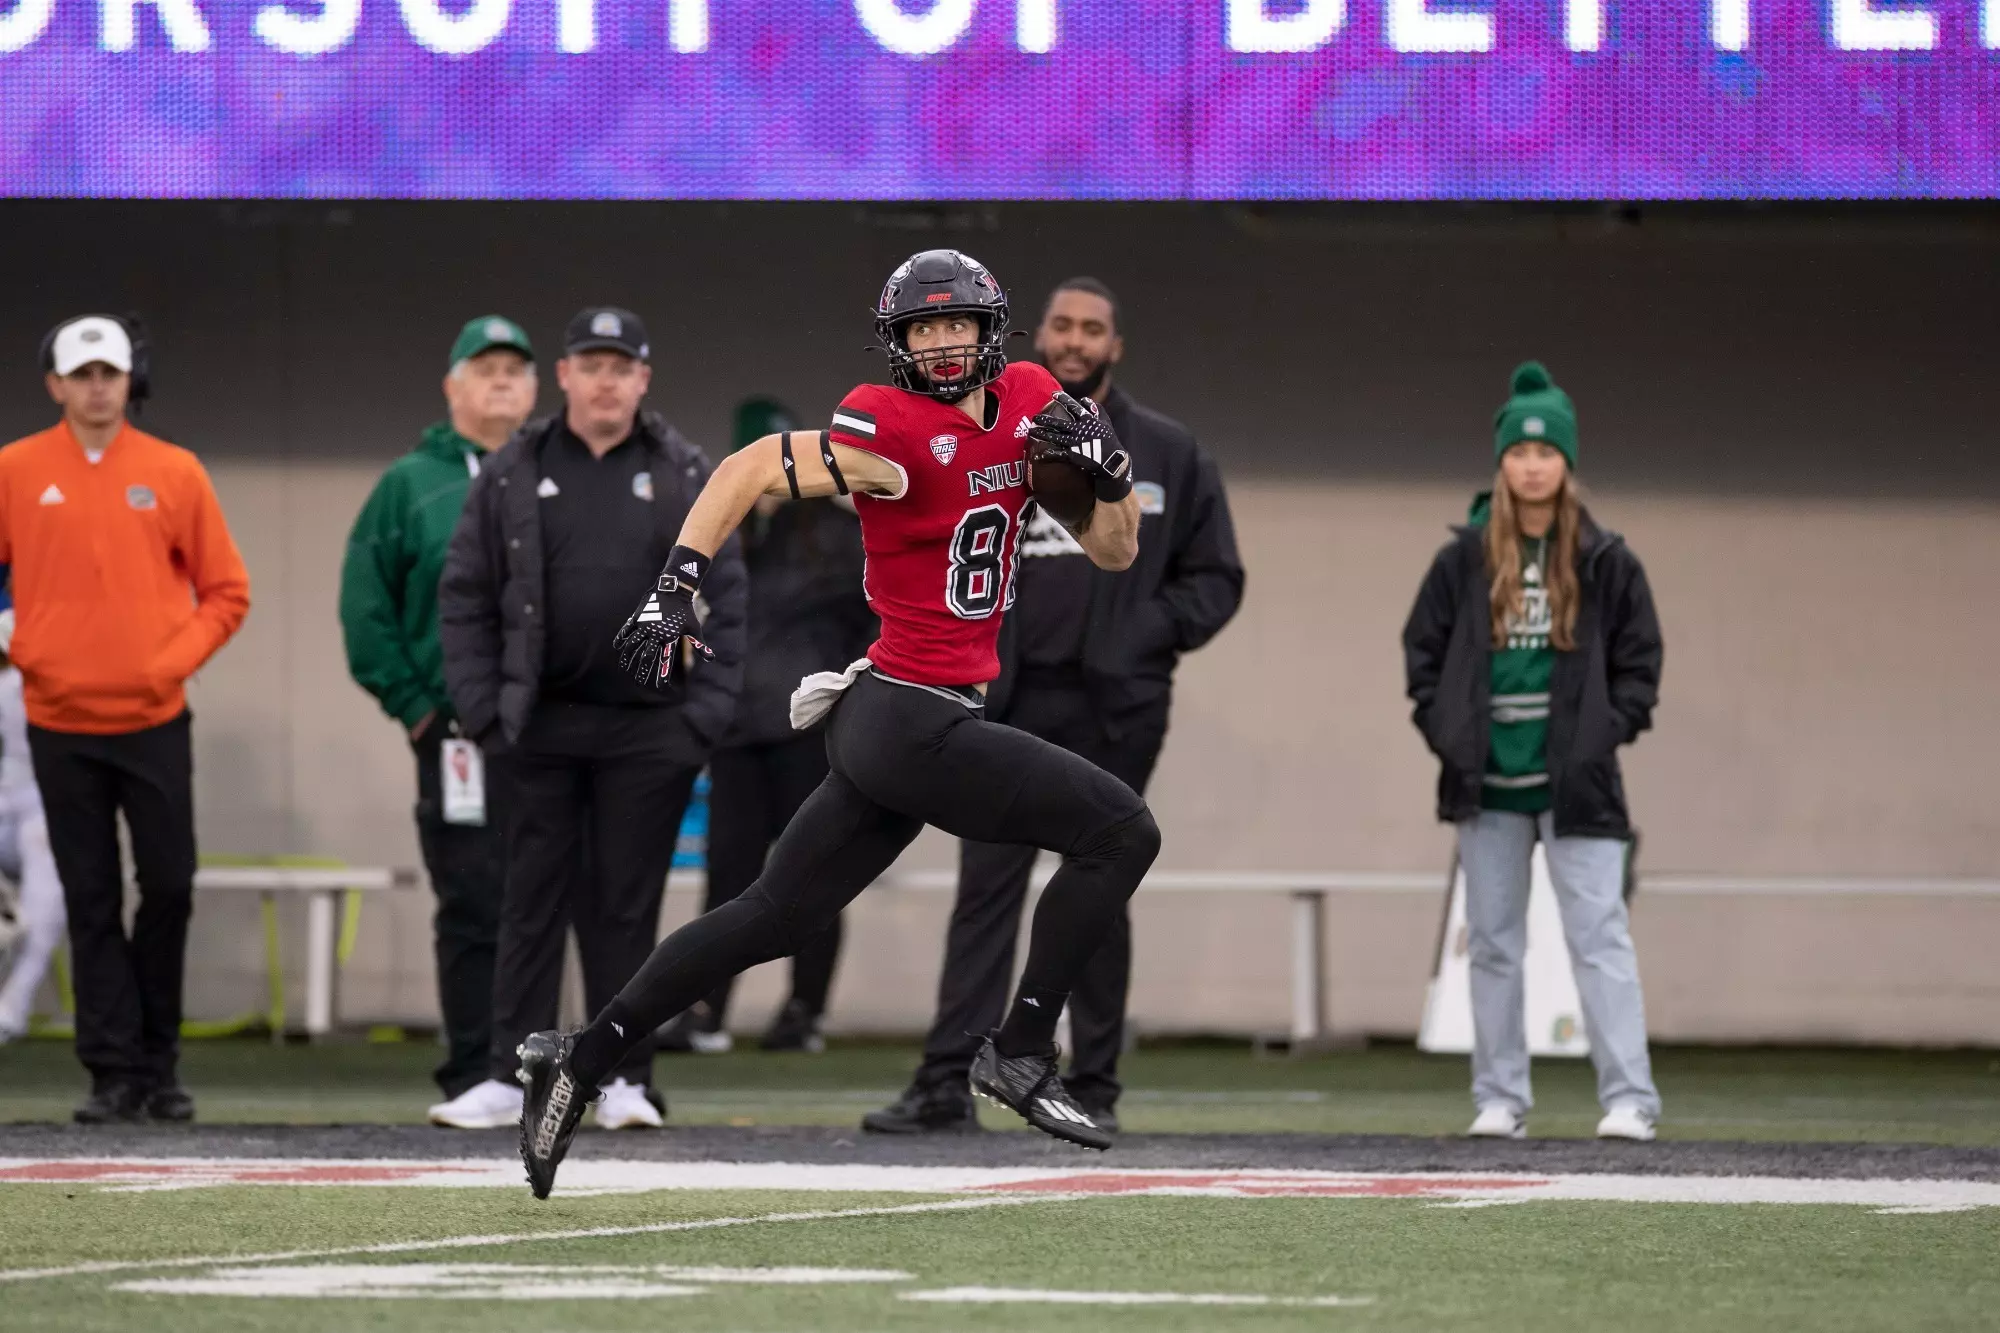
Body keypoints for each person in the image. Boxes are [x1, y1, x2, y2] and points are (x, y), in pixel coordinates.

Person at [512, 249, 1158, 1198]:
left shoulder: (1030, 398)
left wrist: (1110, 474)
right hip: (908, 718)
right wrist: (676, 584)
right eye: (922, 329)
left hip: (899, 718)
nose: (942, 343)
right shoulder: (888, 430)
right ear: (898, 345)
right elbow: (743, 468)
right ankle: (1019, 1047)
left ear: (991, 330)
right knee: (1120, 831)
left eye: (957, 324)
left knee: (772, 914)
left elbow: (1113, 552)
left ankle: (581, 1053)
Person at [865, 277, 1243, 1136]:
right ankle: (943, 1084)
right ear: (1037, 336)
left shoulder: (1167, 450)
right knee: (985, 886)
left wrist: (1145, 634)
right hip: (1004, 695)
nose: (1074, 341)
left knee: (1102, 879)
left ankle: (1094, 1081)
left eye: (1093, 329)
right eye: (1062, 326)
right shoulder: (994, 429)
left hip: (1118, 707)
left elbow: (1218, 579)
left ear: (1117, 345)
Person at [438, 306, 746, 1133]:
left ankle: (622, 1079)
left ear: (644, 379)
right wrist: (483, 712)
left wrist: (703, 717)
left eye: (622, 366)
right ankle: (511, 1075)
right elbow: (464, 596)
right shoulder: (511, 470)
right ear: (564, 375)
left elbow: (733, 600)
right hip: (538, 727)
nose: (606, 379)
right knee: (528, 900)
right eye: (592, 364)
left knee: (626, 908)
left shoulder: (683, 470)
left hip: (650, 731)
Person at [1401, 361, 1664, 1143]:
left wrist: (1602, 735)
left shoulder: (1607, 557)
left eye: (1548, 452)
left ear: (1568, 462)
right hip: (1487, 781)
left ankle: (1629, 1099)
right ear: (1502, 461)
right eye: (1519, 451)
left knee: (1601, 935)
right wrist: (1449, 733)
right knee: (1491, 943)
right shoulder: (1463, 559)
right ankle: (1500, 1098)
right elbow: (1423, 656)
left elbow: (1641, 663)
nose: (1533, 464)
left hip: (1577, 780)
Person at [0, 314, 251, 1123]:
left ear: (127, 379)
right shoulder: (16, 468)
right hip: (58, 717)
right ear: (56, 384)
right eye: (82, 373)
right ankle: (112, 1072)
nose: (97, 385)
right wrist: (18, 644)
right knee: (90, 894)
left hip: (153, 716)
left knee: (170, 882)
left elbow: (227, 591)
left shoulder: (173, 472)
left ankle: (159, 1059)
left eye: (109, 371)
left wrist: (168, 660)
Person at [340, 315, 537, 1124]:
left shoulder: (554, 472)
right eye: (483, 367)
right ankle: (471, 1067)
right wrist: (418, 709)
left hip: (549, 732)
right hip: (455, 733)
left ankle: (545, 1061)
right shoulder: (408, 484)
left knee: (549, 898)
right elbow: (366, 608)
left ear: (535, 388)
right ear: (451, 385)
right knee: (470, 898)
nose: (500, 381)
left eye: (514, 369)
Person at [654, 397, 875, 1057]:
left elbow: (874, 621)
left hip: (809, 732)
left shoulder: (840, 532)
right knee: (729, 878)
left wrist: (854, 695)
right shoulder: (725, 532)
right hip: (736, 733)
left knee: (814, 875)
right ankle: (710, 1011)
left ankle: (804, 1011)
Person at [0, 601, 65, 1044]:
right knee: (33, 916)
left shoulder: (64, 636)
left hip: (46, 802)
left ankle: (10, 1011)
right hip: (11, 797)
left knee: (44, 913)